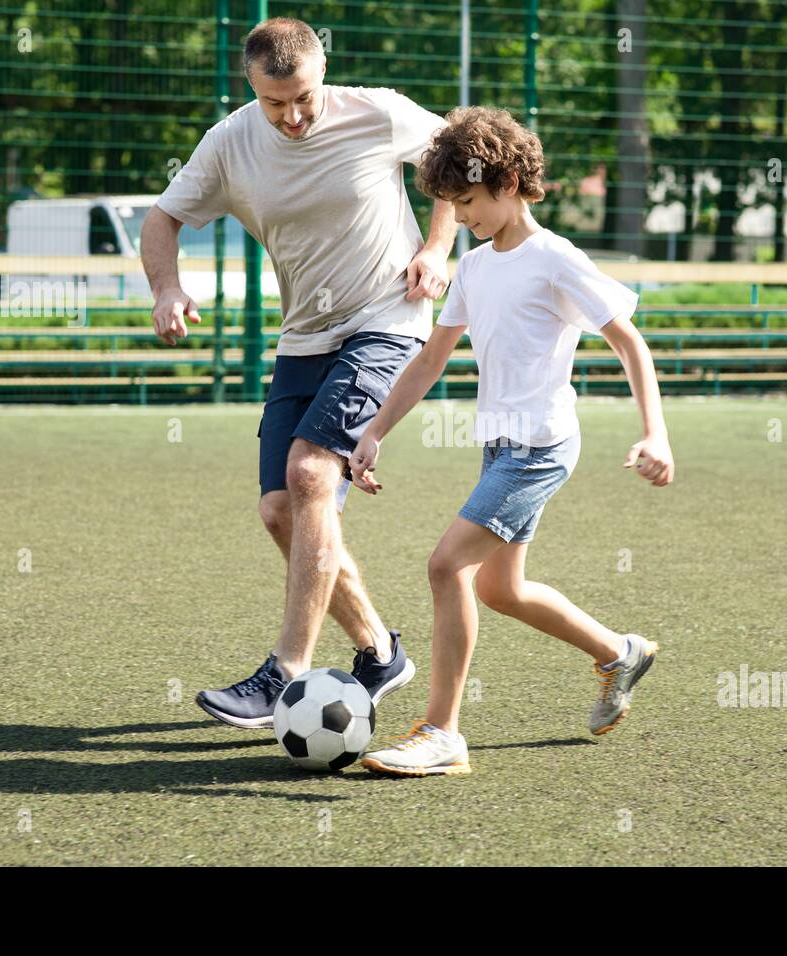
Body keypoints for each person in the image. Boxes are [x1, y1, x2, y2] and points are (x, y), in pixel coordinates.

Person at [139, 17, 458, 728]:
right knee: (281, 509)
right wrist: (166, 288)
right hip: (303, 338)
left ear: (323, 73)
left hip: (386, 320)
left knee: (312, 474)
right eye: (276, 103)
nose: (294, 116)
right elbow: (162, 220)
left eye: (305, 97)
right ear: (251, 87)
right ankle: (380, 653)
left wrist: (438, 248)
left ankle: (284, 672)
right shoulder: (229, 142)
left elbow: (456, 161)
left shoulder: (375, 110)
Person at [347, 106, 674, 776]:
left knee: (446, 567)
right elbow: (431, 360)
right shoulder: (472, 269)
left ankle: (442, 733)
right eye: (452, 205)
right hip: (500, 447)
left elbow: (628, 341)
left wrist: (655, 433)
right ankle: (619, 652)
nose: (460, 217)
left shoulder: (555, 258)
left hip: (540, 448)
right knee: (501, 589)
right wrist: (375, 430)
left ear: (509, 181)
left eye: (466, 202)